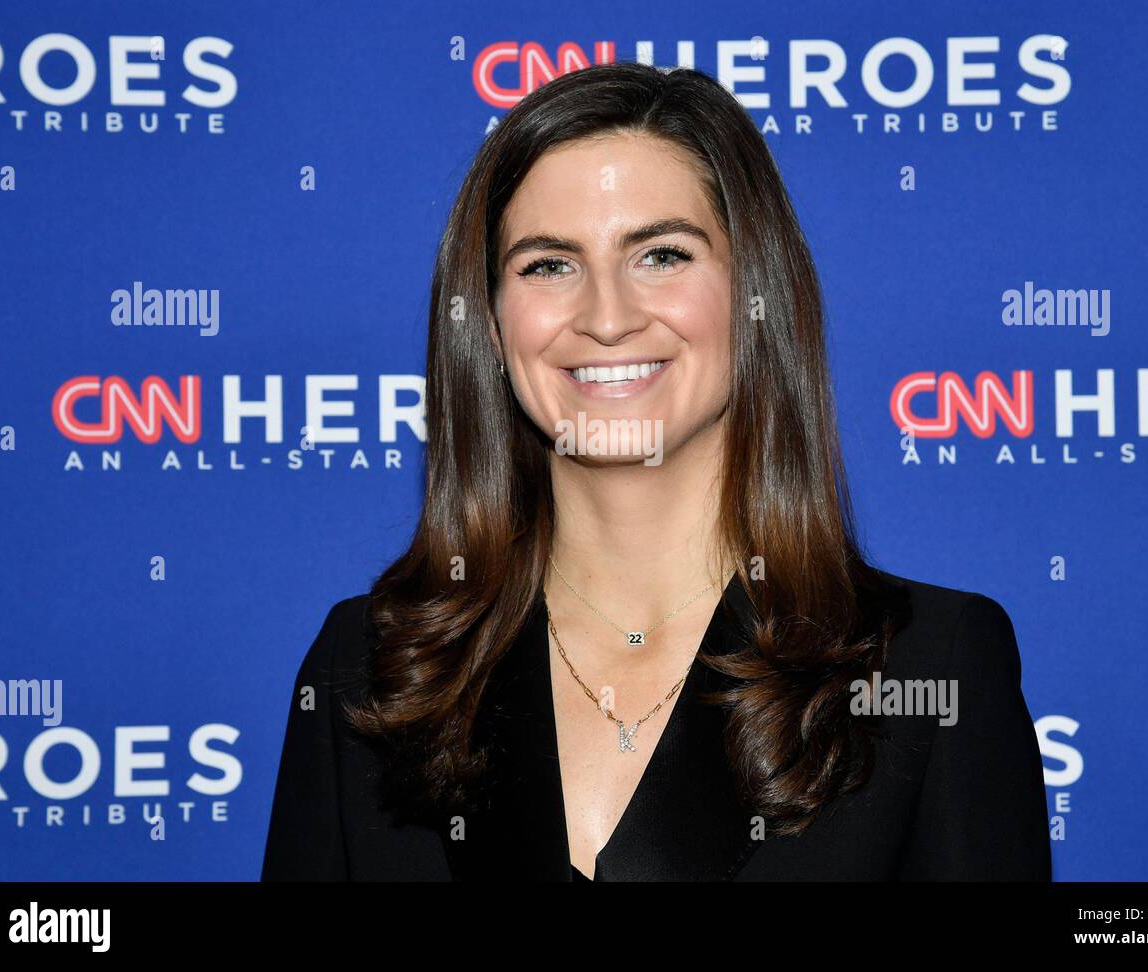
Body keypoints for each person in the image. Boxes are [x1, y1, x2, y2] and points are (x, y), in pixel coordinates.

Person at [261, 61, 1051, 882]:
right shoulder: (371, 668)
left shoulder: (927, 670)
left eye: (662, 255)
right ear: (490, 327)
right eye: (548, 265)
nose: (607, 317)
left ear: (757, 297)